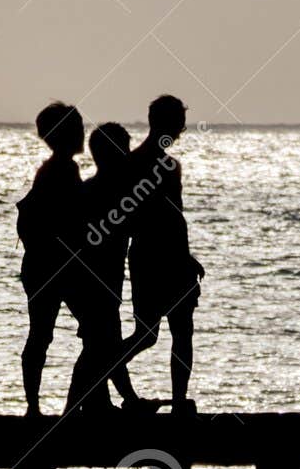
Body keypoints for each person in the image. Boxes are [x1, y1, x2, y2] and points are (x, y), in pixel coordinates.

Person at [117, 95, 204, 413]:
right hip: (162, 257)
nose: (181, 132)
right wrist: (182, 257)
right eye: (179, 125)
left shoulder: (132, 163)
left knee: (151, 333)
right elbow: (166, 217)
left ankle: (109, 372)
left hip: (150, 256)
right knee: (174, 332)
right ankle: (176, 400)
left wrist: (187, 257)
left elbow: (164, 217)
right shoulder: (161, 166)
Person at [19, 101, 102, 415]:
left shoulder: (55, 169)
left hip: (46, 265)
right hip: (55, 266)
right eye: (77, 128)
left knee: (44, 334)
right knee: (91, 331)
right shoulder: (63, 170)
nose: (82, 133)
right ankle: (61, 406)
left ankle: (39, 407)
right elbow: (71, 220)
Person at [79, 121, 157, 413]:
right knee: (103, 341)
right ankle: (113, 400)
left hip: (104, 277)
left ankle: (101, 400)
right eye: (123, 150)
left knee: (100, 341)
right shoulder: (111, 194)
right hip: (98, 278)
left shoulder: (92, 190)